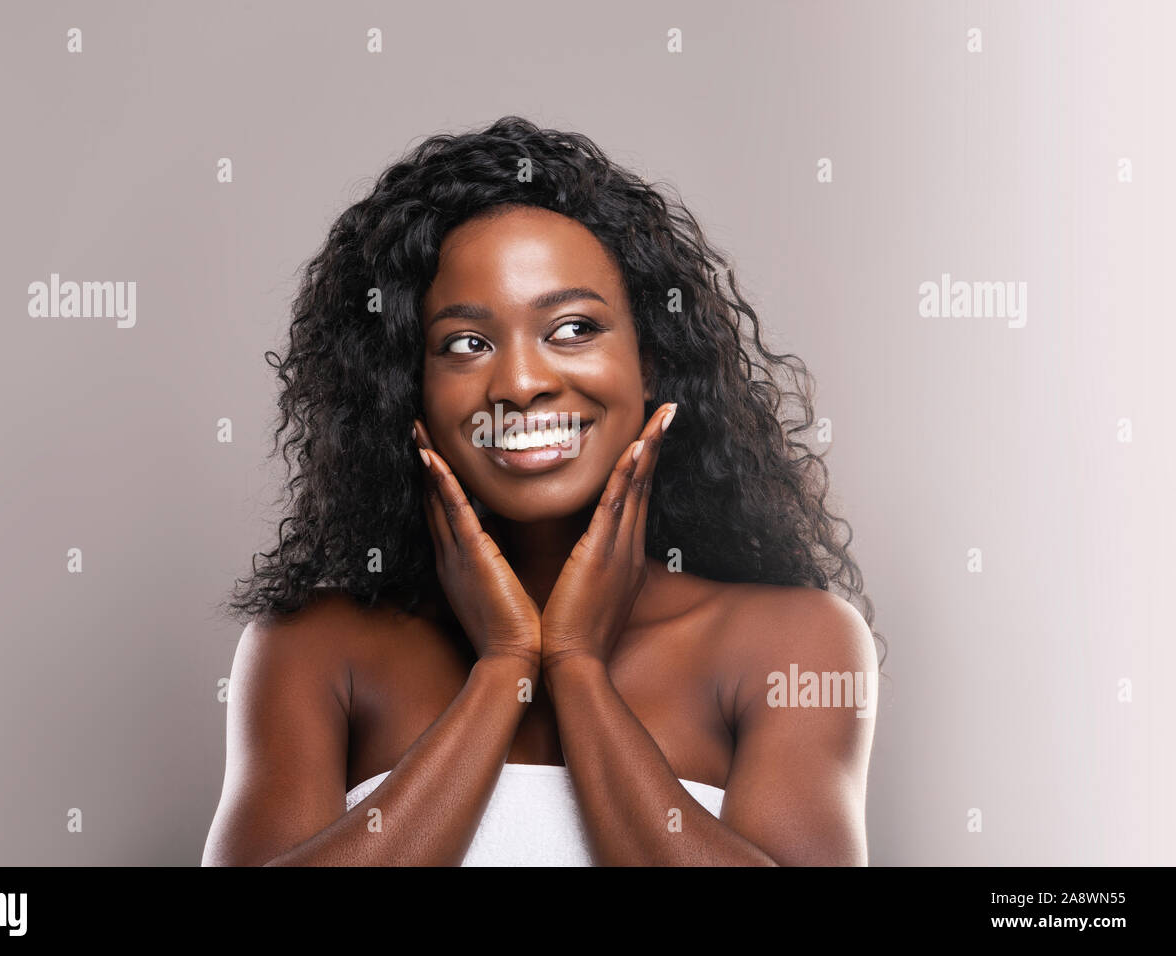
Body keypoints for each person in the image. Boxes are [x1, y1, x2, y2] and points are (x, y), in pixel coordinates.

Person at [201, 116, 884, 866]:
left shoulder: (795, 643)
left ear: (652, 362)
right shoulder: (313, 648)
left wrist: (576, 667)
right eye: (467, 343)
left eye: (573, 329)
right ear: (406, 388)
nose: (522, 384)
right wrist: (502, 669)